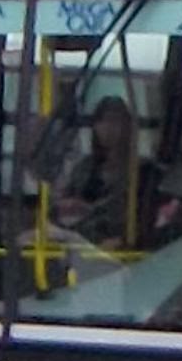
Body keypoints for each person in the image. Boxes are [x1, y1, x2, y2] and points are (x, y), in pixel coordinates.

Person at [55, 96, 136, 249]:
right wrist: (68, 205)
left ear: (127, 127)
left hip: (120, 248)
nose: (108, 128)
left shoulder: (139, 170)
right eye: (102, 121)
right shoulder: (84, 168)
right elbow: (65, 202)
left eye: (115, 121)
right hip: (80, 242)